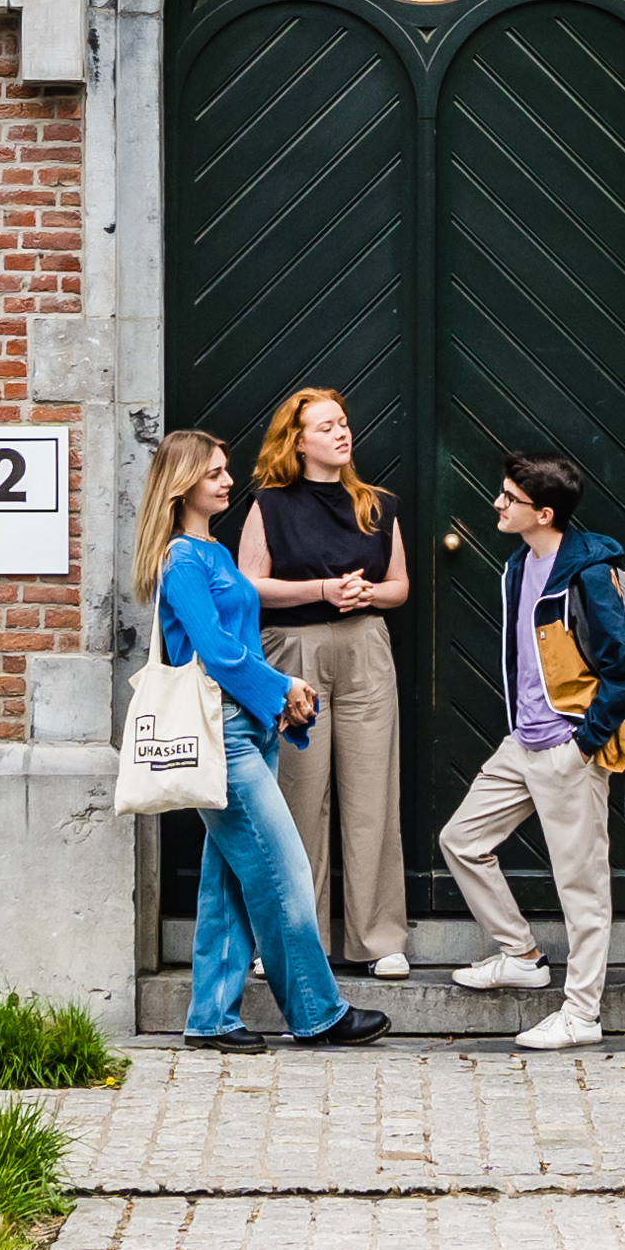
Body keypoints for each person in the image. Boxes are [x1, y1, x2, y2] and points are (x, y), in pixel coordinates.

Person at [140, 430, 386, 1052]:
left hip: (249, 727)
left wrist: (279, 693)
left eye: (225, 472)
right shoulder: (183, 561)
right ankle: (316, 1012)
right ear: (184, 483)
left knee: (226, 884)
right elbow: (217, 653)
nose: (227, 481)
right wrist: (280, 689)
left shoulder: (215, 552)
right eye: (214, 474)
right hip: (223, 732)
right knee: (285, 873)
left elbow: (240, 645)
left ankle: (210, 1017)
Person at [441, 450, 625, 1055]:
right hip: (520, 743)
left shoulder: (586, 574)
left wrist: (585, 743)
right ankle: (521, 953)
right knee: (462, 840)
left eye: (509, 498)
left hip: (568, 748)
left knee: (582, 886)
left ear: (544, 512)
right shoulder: (516, 566)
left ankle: (582, 1014)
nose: (497, 504)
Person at [240, 386, 414, 981]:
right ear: (298, 441)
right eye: (326, 426)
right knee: (296, 799)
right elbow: (249, 586)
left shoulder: (376, 503)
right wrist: (321, 590)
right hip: (293, 653)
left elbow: (400, 586)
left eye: (343, 422)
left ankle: (378, 939)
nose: (341, 433)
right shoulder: (269, 504)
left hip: (366, 646)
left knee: (372, 795)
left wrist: (368, 594)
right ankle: (290, 938)